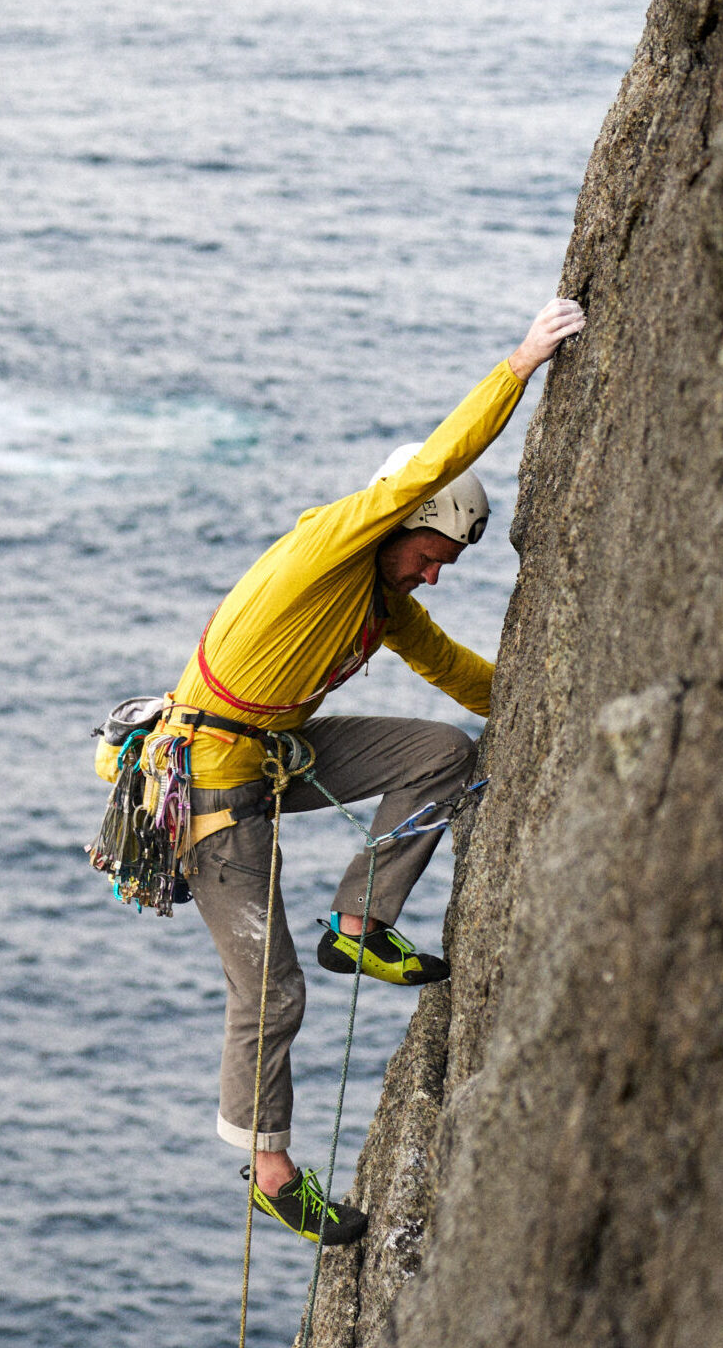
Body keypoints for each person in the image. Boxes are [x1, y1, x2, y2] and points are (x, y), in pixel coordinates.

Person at [167, 295, 585, 1245]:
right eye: (430, 555)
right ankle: (271, 1174)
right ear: (397, 523)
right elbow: (436, 461)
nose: (431, 575)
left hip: (267, 757)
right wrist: (518, 365)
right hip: (207, 785)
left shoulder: (380, 601)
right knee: (269, 990)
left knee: (440, 752)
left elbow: (459, 677)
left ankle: (360, 923)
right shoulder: (330, 549)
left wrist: (564, 685)